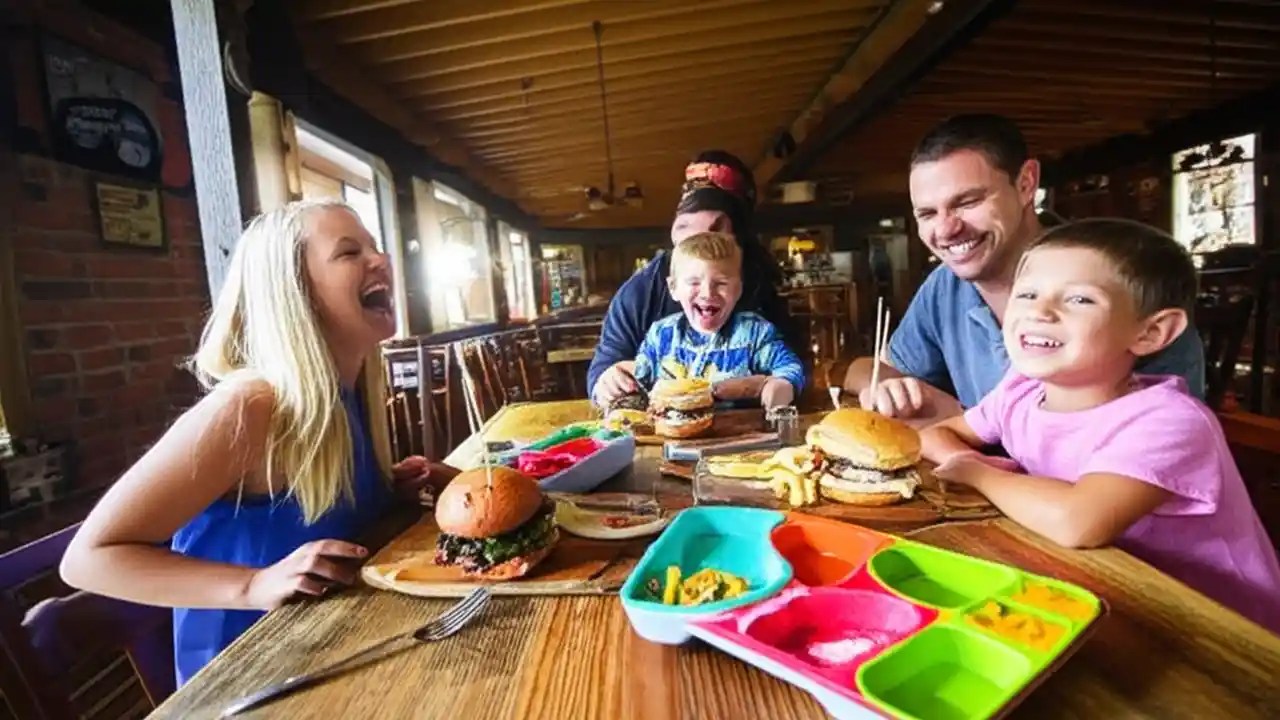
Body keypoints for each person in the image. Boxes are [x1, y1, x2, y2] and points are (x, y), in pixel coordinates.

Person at [59, 201, 458, 684]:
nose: (382, 260)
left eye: (376, 246)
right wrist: (252, 585)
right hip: (249, 677)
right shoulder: (249, 406)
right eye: (350, 252)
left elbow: (300, 518)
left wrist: (380, 489)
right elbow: (88, 559)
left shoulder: (351, 391)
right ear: (295, 293)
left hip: (338, 647)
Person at [920, 219, 1280, 634]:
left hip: (1219, 633)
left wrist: (979, 473)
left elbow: (1079, 521)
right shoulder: (1020, 390)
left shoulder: (1168, 421)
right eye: (1028, 294)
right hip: (1107, 594)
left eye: (1079, 300)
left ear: (1151, 333)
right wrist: (966, 458)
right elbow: (937, 435)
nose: (1040, 311)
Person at [843, 114, 1204, 423]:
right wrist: (881, 385)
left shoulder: (1122, 280)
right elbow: (865, 369)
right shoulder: (945, 286)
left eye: (968, 202)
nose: (946, 229)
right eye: (927, 213)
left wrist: (963, 422)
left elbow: (1149, 459)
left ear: (1026, 184)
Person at [589, 150, 796, 407]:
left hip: (745, 427)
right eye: (686, 228)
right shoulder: (643, 296)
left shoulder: (761, 293)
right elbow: (605, 370)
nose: (707, 291)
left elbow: (794, 369)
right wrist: (606, 382)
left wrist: (775, 384)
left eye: (715, 231)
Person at [633, 231, 804, 409]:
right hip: (672, 431)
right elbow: (639, 379)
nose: (707, 293)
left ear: (738, 289)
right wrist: (619, 377)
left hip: (740, 431)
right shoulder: (661, 334)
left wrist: (780, 385)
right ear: (674, 288)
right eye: (694, 283)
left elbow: (790, 368)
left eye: (721, 283)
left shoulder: (754, 332)